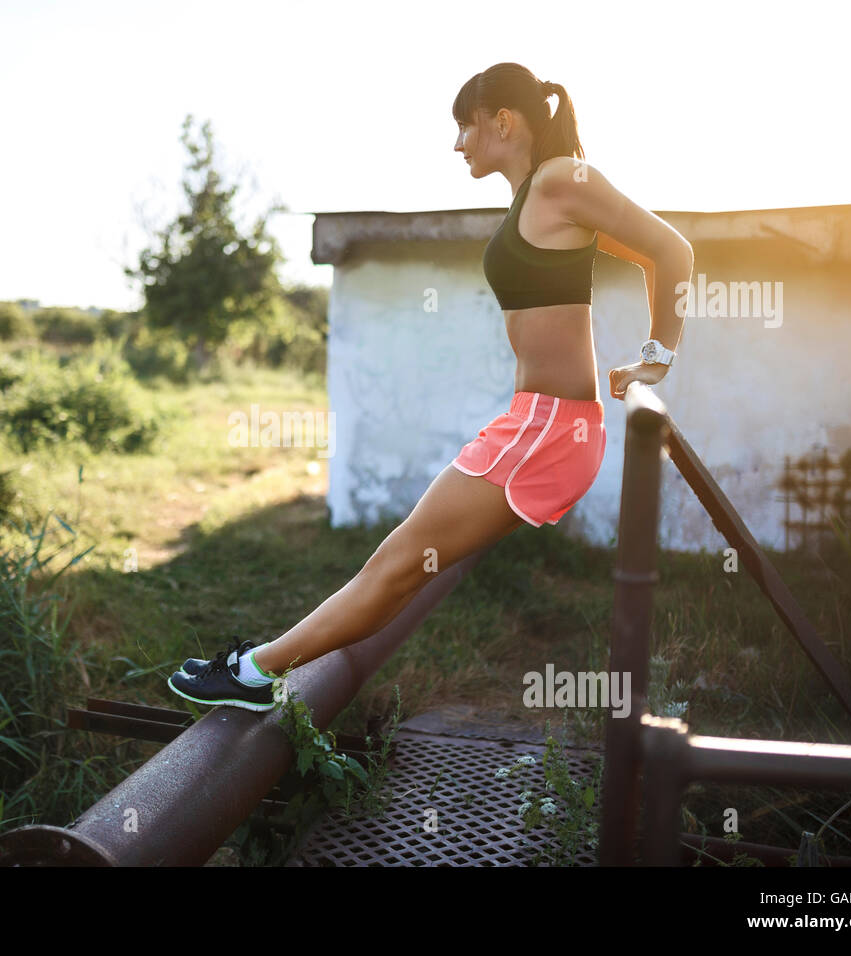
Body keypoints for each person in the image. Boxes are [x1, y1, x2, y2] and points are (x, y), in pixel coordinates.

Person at [167, 62, 694, 711]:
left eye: (464, 127)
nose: (457, 145)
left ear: (503, 121)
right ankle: (256, 670)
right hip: (537, 423)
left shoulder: (560, 181)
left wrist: (655, 358)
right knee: (403, 560)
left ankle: (251, 674)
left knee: (398, 562)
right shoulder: (537, 194)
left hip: (548, 430)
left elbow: (671, 250)